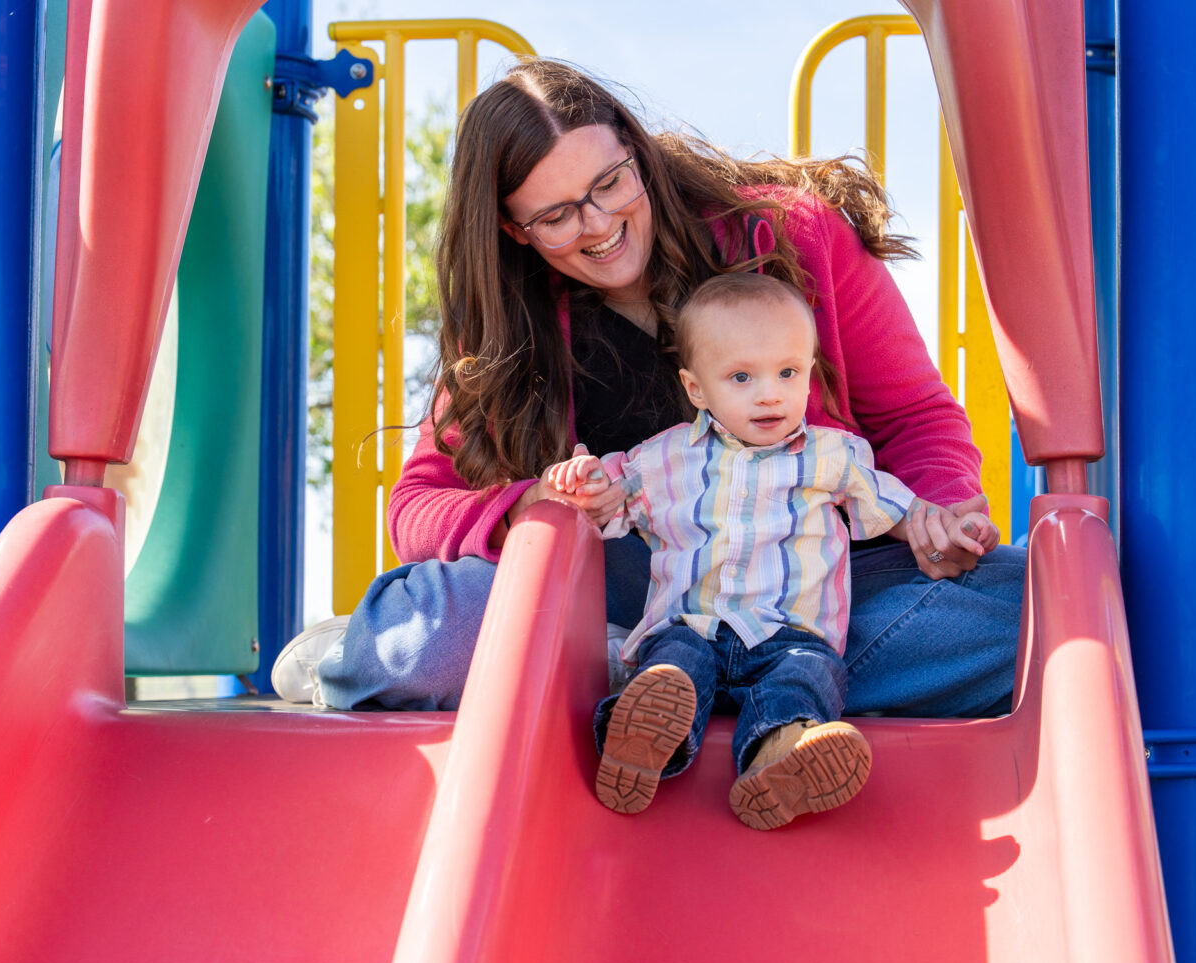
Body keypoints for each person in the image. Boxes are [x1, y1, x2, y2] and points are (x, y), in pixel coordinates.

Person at [288, 56, 1024, 724]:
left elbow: (913, 416)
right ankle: (715, 676)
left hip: (809, 582)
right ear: (513, 230)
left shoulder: (791, 238)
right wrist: (529, 509)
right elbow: (418, 507)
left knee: (1040, 607)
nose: (600, 224)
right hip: (627, 590)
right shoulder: (507, 331)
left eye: (609, 183)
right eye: (557, 215)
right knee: (434, 634)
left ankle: (653, 678)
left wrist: (941, 517)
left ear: (634, 149)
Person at [544, 274, 997, 829]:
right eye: (741, 377)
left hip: (791, 637)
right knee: (673, 664)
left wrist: (946, 528)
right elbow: (609, 507)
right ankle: (641, 735)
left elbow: (903, 512)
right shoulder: (659, 459)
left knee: (809, 678)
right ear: (696, 389)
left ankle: (784, 755)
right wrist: (586, 484)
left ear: (809, 370)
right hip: (692, 625)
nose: (769, 393)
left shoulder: (836, 457)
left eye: (788, 372)